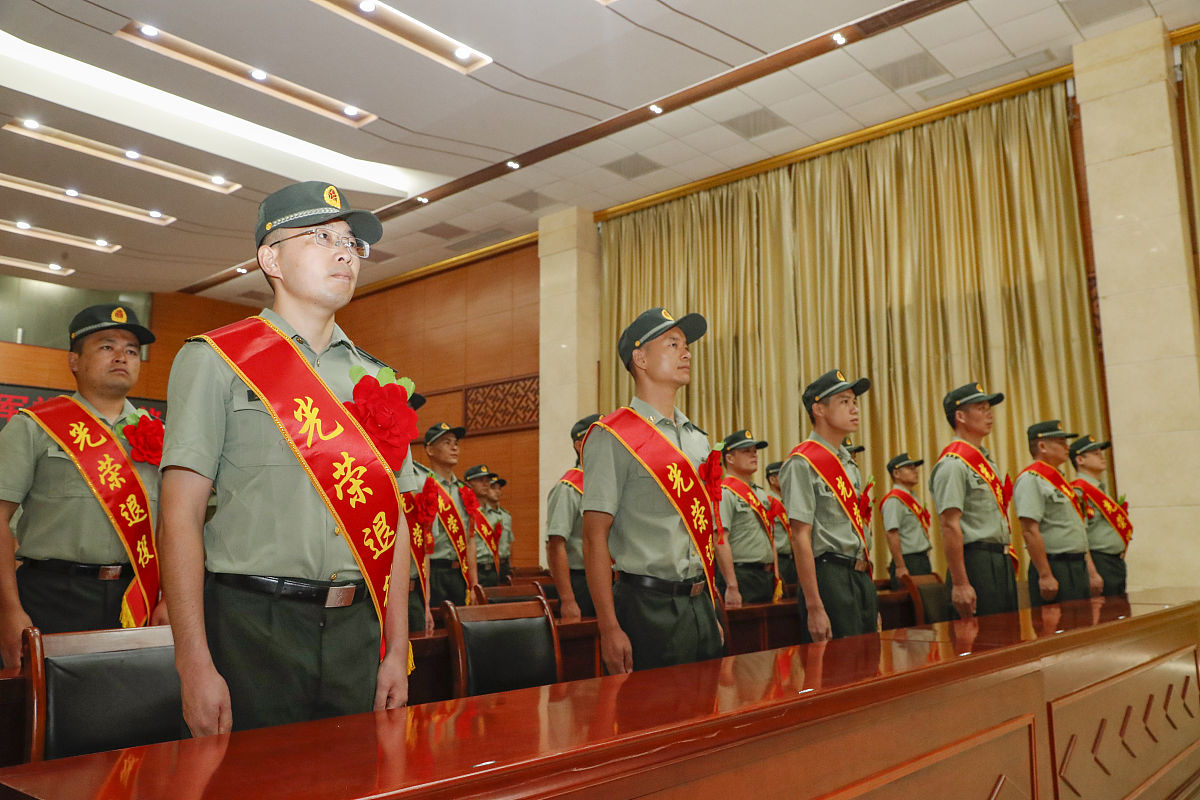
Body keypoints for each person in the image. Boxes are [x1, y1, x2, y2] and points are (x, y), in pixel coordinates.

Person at [160, 181, 416, 736]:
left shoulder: (378, 380)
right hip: (252, 627)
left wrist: (397, 648)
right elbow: (179, 515)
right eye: (322, 236)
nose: (345, 252)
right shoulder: (215, 360)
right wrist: (192, 660)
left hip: (356, 630)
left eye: (352, 242)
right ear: (269, 258)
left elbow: (393, 525)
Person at [0, 304, 163, 668]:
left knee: (129, 712)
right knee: (39, 715)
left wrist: (167, 599)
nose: (122, 356)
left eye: (132, 350)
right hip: (50, 595)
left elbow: (171, 528)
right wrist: (8, 611)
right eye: (107, 346)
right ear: (74, 361)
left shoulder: (160, 436)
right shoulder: (33, 428)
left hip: (134, 598)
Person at [582, 308, 723, 673]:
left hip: (699, 603)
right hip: (646, 606)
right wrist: (609, 627)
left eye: (686, 345)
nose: (686, 353)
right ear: (640, 358)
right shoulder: (612, 436)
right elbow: (595, 537)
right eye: (673, 344)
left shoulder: (698, 440)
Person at [779, 369, 877, 642]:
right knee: (839, 669)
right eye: (844, 401)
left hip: (859, 575)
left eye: (854, 402)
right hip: (829, 577)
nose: (854, 408)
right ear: (819, 409)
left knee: (869, 667)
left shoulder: (848, 463)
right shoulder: (802, 463)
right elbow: (800, 537)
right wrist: (814, 606)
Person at [929, 382, 1018, 619]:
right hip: (976, 562)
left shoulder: (987, 464)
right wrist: (960, 583)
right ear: (960, 416)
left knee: (1010, 641)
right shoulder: (953, 464)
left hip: (1001, 560)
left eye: (989, 408)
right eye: (981, 408)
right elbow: (949, 525)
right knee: (984, 642)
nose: (989, 414)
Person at [1014, 421, 1103, 606]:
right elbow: (1030, 530)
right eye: (1061, 442)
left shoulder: (1061, 483)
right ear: (1042, 446)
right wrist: (1045, 574)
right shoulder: (1031, 479)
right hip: (1056, 566)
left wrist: (1092, 572)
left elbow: (1077, 530)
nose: (1067, 448)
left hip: (1077, 566)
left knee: (1085, 631)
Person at [716, 429, 780, 606]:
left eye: (754, 451)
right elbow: (720, 540)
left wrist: (776, 575)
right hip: (742, 575)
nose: (754, 456)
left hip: (765, 576)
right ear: (729, 458)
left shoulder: (759, 494)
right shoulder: (724, 492)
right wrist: (732, 585)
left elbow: (770, 536)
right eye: (746, 452)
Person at [546, 414, 601, 621]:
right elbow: (556, 544)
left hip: (611, 580)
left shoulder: (606, 485)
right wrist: (568, 600)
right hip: (581, 582)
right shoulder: (567, 488)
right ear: (579, 445)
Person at [415, 423, 476, 606]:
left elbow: (470, 539)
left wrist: (474, 585)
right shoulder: (421, 485)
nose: (454, 447)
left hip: (459, 574)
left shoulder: (465, 490)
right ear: (430, 449)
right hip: (433, 572)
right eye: (446, 442)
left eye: (456, 442)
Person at [1069, 435, 1130, 596]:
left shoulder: (1099, 489)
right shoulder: (1079, 490)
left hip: (1114, 562)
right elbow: (1080, 535)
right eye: (1095, 453)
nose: (1101, 457)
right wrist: (1092, 573)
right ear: (1080, 460)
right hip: (1098, 561)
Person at [880, 452, 933, 590]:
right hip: (908, 561)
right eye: (909, 468)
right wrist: (901, 566)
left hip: (921, 560)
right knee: (913, 608)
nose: (915, 471)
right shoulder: (894, 500)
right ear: (896, 473)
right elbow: (891, 533)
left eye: (915, 467)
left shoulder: (912, 497)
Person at [463, 464, 502, 587]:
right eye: (480, 481)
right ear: (468, 484)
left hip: (492, 570)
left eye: (487, 481)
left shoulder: (496, 515)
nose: (486, 484)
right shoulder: (465, 512)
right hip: (474, 570)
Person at [765, 461, 796, 584]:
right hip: (779, 560)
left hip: (792, 559)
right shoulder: (768, 502)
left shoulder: (788, 502)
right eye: (784, 475)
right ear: (772, 479)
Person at [488, 475, 514, 583]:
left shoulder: (506, 516)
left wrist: (510, 566)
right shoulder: (479, 515)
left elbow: (510, 543)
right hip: (487, 567)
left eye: (499, 488)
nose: (497, 491)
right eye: (493, 488)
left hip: (504, 566)